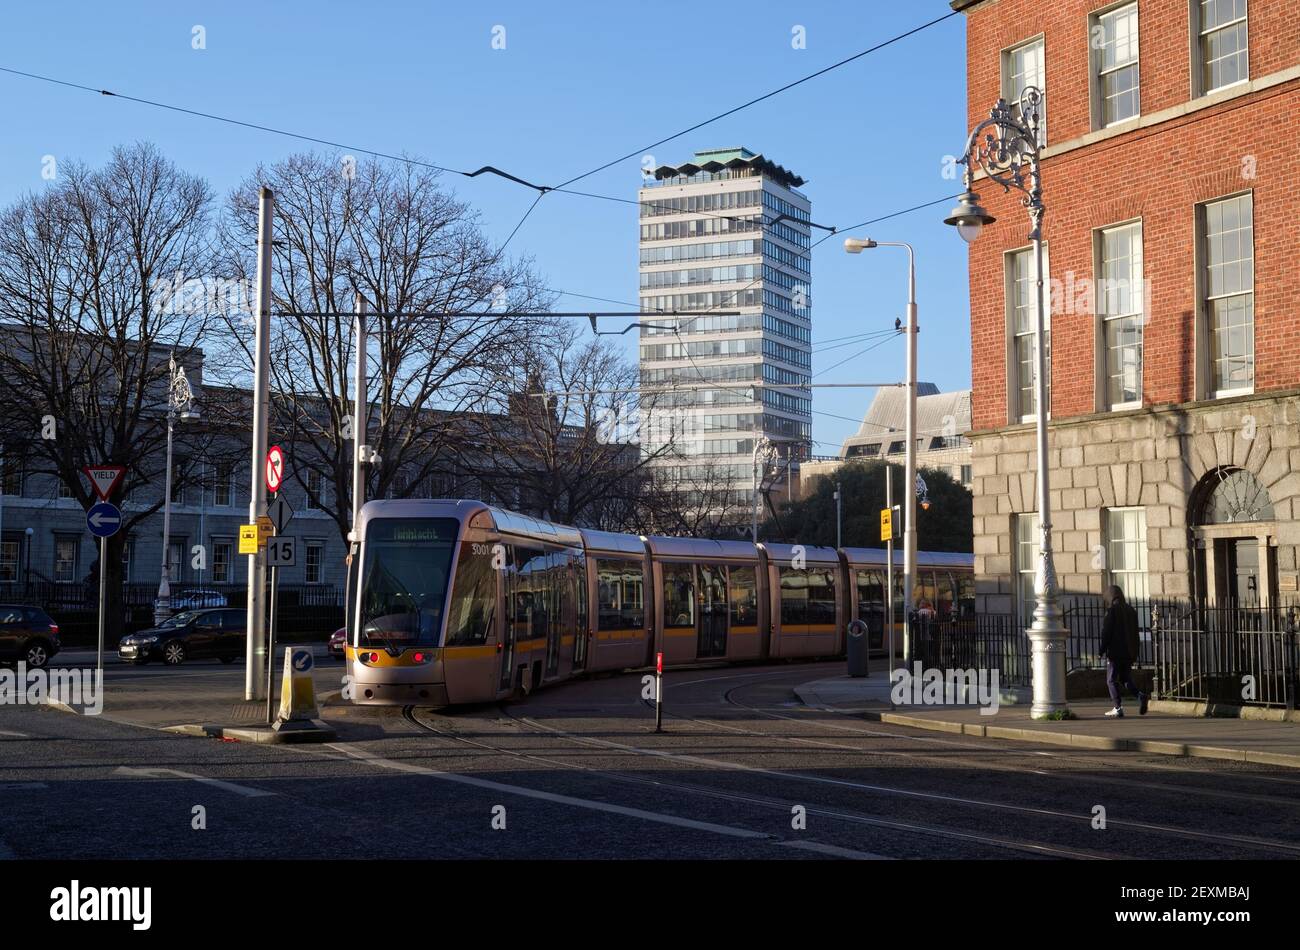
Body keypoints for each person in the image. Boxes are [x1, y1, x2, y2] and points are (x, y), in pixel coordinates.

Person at [1099, 585, 1147, 717]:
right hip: (1129, 651)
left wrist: (1101, 650)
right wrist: (1135, 652)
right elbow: (1135, 633)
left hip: (1115, 652)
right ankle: (1140, 695)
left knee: (1111, 680)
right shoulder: (1131, 610)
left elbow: (1106, 633)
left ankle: (1117, 707)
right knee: (1125, 678)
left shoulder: (1112, 611)